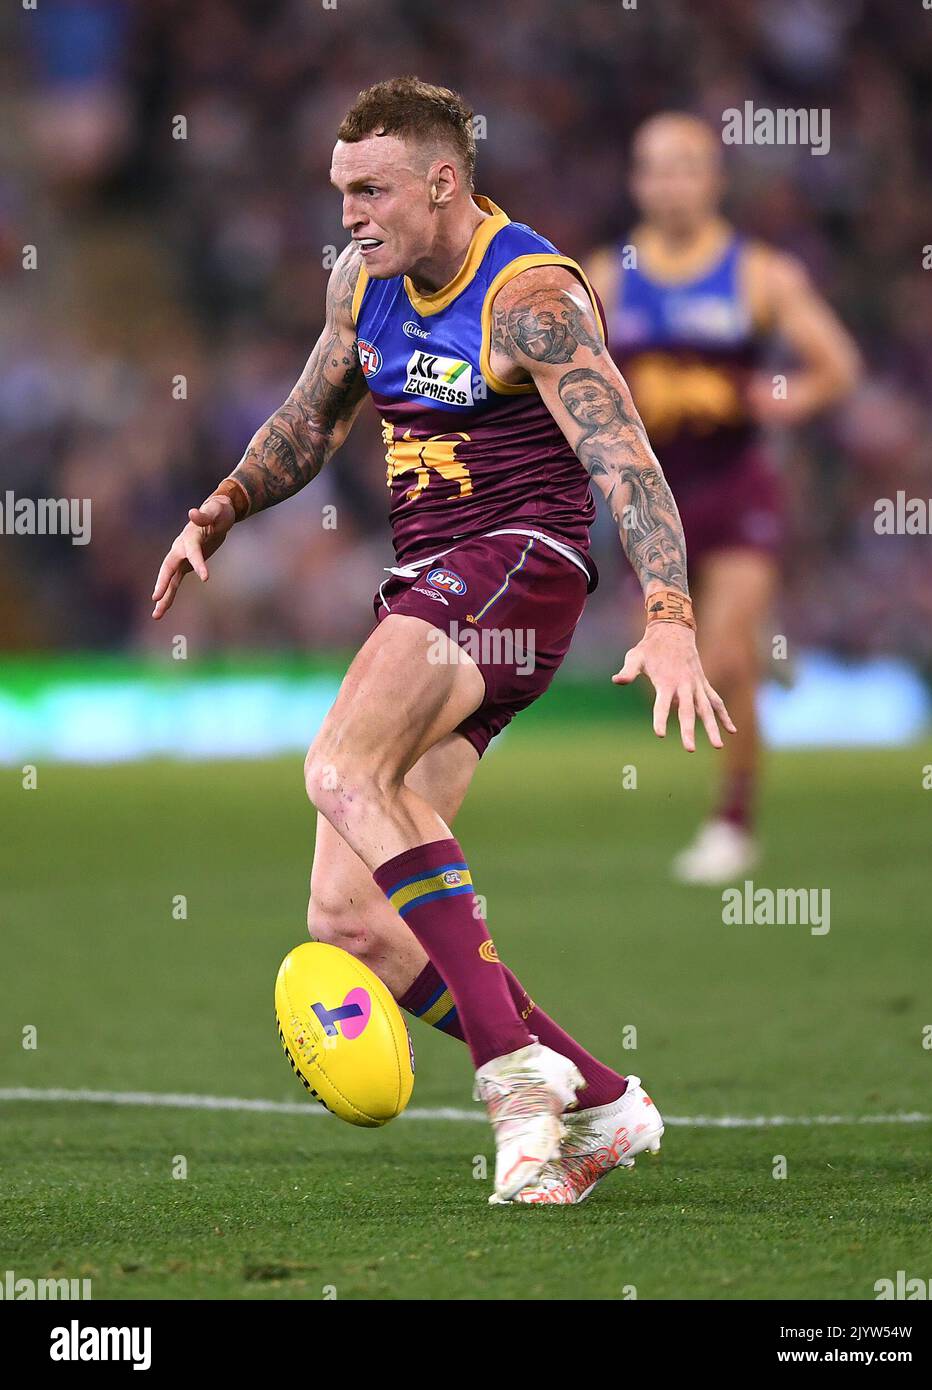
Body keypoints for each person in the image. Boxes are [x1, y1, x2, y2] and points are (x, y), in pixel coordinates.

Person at [151, 79, 733, 1206]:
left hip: (521, 563)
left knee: (336, 768)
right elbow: (312, 417)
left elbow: (625, 461)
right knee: (350, 918)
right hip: (428, 584)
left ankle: (518, 1086)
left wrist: (668, 617)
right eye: (339, 193)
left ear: (441, 183)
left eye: (370, 192)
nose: (349, 215)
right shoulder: (358, 281)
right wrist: (215, 510)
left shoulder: (530, 296)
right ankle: (604, 1098)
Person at [586, 114, 861, 884]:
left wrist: (780, 395)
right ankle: (757, 639)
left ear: (713, 178)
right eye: (654, 168)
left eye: (686, 167)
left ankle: (732, 822)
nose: (670, 183)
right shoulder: (605, 277)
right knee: (687, 670)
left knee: (724, 656)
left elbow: (836, 365)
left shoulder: (760, 274)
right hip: (650, 501)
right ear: (637, 181)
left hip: (738, 489)